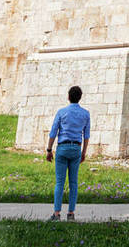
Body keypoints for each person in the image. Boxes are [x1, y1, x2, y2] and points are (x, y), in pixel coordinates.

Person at [46, 85, 90, 221]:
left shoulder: (61, 112)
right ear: (80, 98)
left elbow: (54, 132)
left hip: (62, 148)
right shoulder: (86, 114)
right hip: (76, 148)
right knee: (73, 182)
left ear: (68, 97)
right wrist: (83, 152)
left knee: (59, 182)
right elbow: (86, 135)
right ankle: (71, 213)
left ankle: (57, 213)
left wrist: (49, 150)